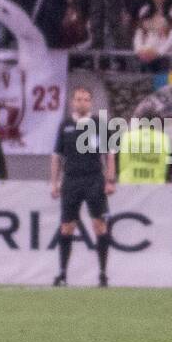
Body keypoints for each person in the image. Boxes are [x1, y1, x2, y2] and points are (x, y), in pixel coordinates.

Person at [51, 86, 114, 287]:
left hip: (94, 178)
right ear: (72, 102)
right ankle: (62, 273)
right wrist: (54, 182)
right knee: (67, 226)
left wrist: (110, 180)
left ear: (91, 103)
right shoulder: (66, 126)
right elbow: (57, 156)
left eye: (86, 99)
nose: (82, 103)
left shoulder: (98, 124)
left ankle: (103, 274)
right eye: (78, 99)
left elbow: (109, 154)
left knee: (99, 225)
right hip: (71, 179)